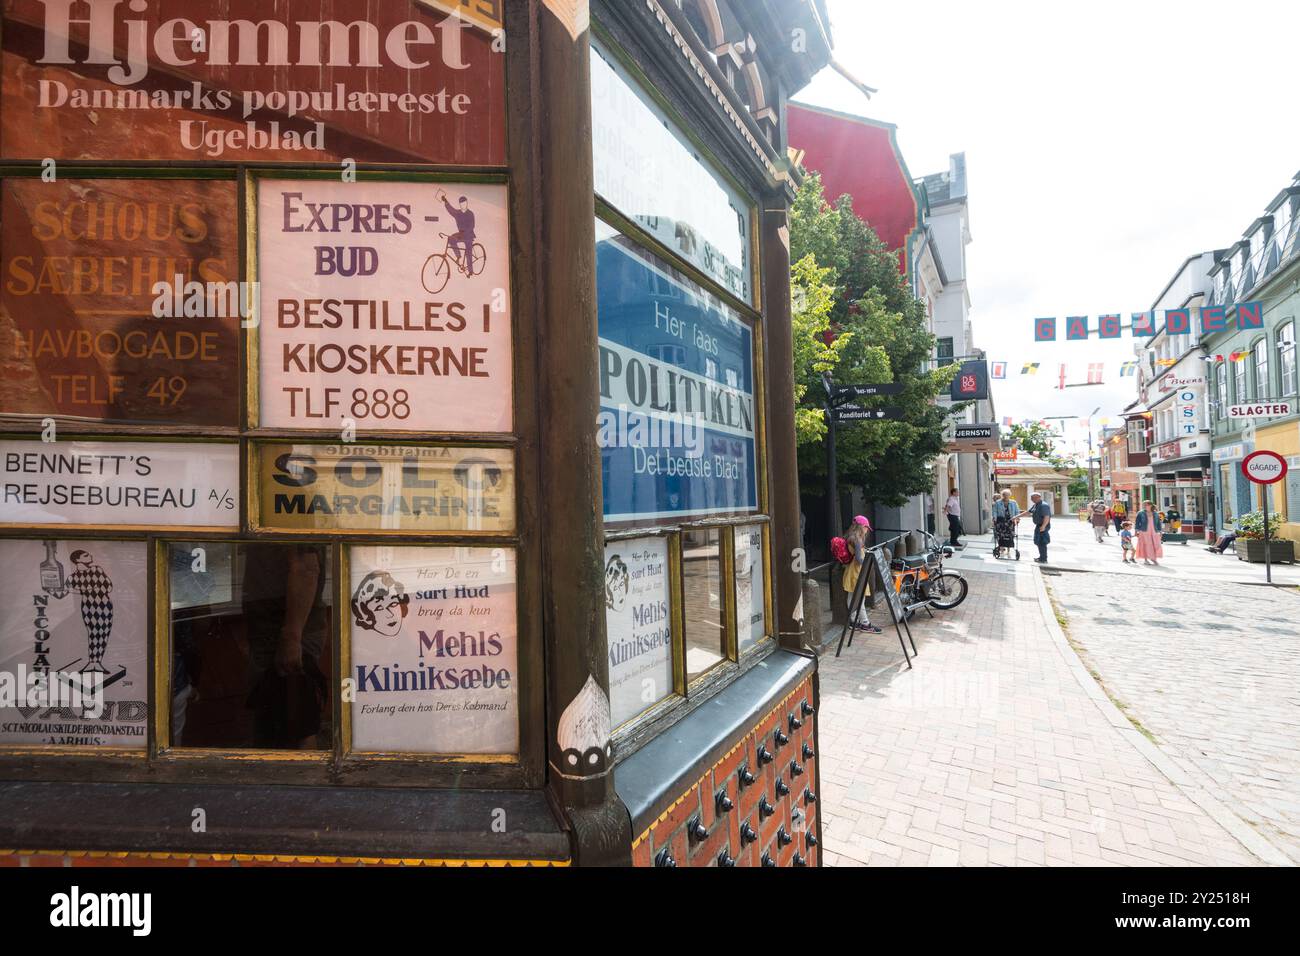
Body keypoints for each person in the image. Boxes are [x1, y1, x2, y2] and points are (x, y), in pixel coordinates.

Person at [840, 516, 881, 633]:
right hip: (857, 572)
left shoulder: (850, 537)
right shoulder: (857, 540)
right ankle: (865, 623)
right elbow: (858, 558)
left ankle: (853, 621)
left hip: (851, 571)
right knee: (860, 598)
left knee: (852, 596)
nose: (867, 530)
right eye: (866, 527)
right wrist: (868, 562)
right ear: (861, 527)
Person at [438, 189, 476, 272]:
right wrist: (445, 201)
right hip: (461, 234)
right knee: (451, 239)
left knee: (468, 253)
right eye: (462, 204)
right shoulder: (457, 213)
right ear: (460, 204)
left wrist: (465, 232)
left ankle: (470, 271)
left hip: (469, 235)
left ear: (467, 203)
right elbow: (451, 210)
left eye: (465, 203)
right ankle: (458, 256)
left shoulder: (470, 214)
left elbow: (472, 226)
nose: (463, 205)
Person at [1019, 492, 1052, 563]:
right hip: (1039, 525)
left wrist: (1043, 526)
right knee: (1038, 541)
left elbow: (1047, 517)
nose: (1031, 500)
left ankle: (1043, 559)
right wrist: (1016, 516)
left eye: (1032, 498)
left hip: (1043, 525)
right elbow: (1028, 512)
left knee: (1042, 542)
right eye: (1031, 498)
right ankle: (1042, 557)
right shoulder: (1036, 505)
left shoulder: (1044, 505)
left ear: (1038, 497)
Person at [1134, 501, 1164, 566]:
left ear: (1150, 505)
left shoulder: (1155, 513)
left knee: (1155, 544)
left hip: (1154, 531)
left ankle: (1153, 558)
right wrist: (1136, 531)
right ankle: (1145, 559)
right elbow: (1137, 523)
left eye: (1146, 505)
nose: (1144, 506)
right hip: (1144, 531)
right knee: (1145, 545)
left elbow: (1159, 523)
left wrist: (1160, 532)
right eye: (1144, 505)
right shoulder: (1140, 513)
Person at [992, 490, 1019, 557]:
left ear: (1009, 495)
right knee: (1001, 536)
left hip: (1010, 521)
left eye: (1007, 495)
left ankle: (1008, 550)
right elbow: (994, 511)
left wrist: (1017, 518)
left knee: (1010, 536)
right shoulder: (998, 502)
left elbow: (1017, 511)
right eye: (1004, 495)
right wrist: (994, 518)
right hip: (1000, 521)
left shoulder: (1013, 502)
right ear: (1002, 495)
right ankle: (1001, 550)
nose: (1005, 496)